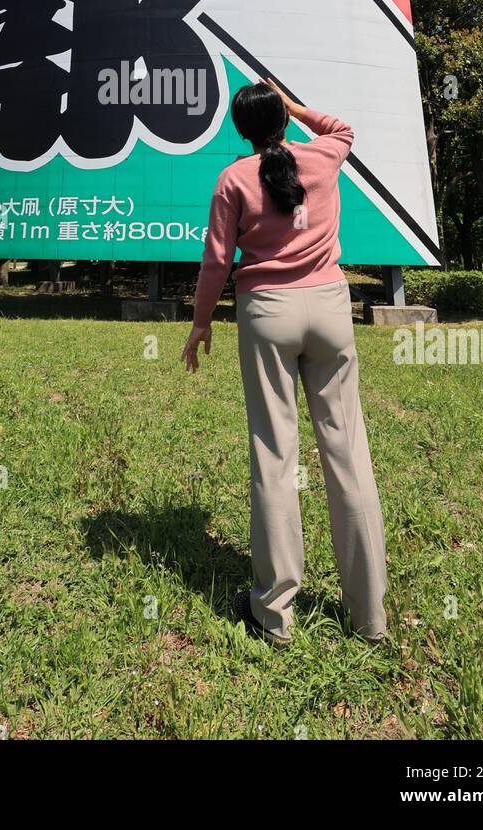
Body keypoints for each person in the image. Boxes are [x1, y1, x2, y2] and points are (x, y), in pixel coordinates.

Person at [181, 79, 387, 646]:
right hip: (330, 310)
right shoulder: (323, 156)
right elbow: (342, 128)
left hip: (266, 313)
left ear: (240, 131)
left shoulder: (232, 179)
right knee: (347, 453)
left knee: (275, 455)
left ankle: (274, 615)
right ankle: (369, 617)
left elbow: (217, 262)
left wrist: (201, 323)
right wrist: (296, 108)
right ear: (283, 119)